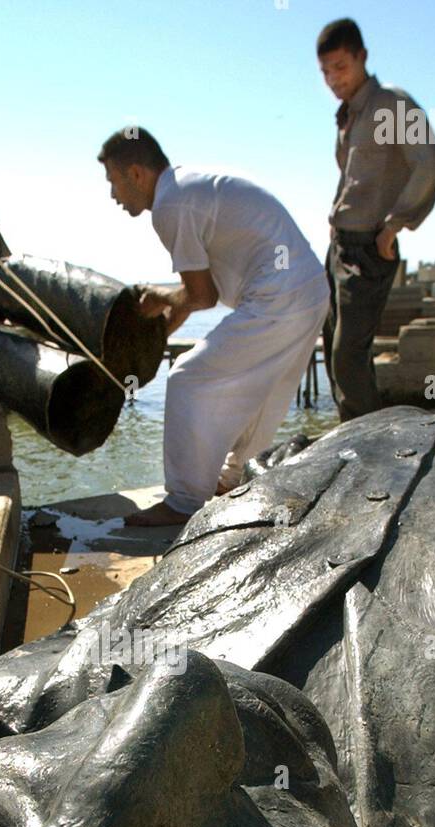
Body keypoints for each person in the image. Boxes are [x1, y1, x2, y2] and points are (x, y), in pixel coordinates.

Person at [98, 128, 329, 528]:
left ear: (136, 174)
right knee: (265, 395)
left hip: (279, 294)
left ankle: (183, 501)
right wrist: (157, 334)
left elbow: (200, 296)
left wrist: (158, 294)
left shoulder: (170, 204)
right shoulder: (188, 188)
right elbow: (197, 295)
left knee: (187, 376)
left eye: (113, 182)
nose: (113, 196)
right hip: (310, 290)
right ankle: (232, 479)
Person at [318, 17, 435, 421]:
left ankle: (368, 452)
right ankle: (351, 442)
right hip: (339, 246)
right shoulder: (350, 115)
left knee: (346, 358)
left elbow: (429, 160)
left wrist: (395, 226)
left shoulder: (390, 104)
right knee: (334, 349)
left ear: (362, 58)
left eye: (341, 67)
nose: (333, 79)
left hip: (369, 247)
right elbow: (352, 179)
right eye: (325, 72)